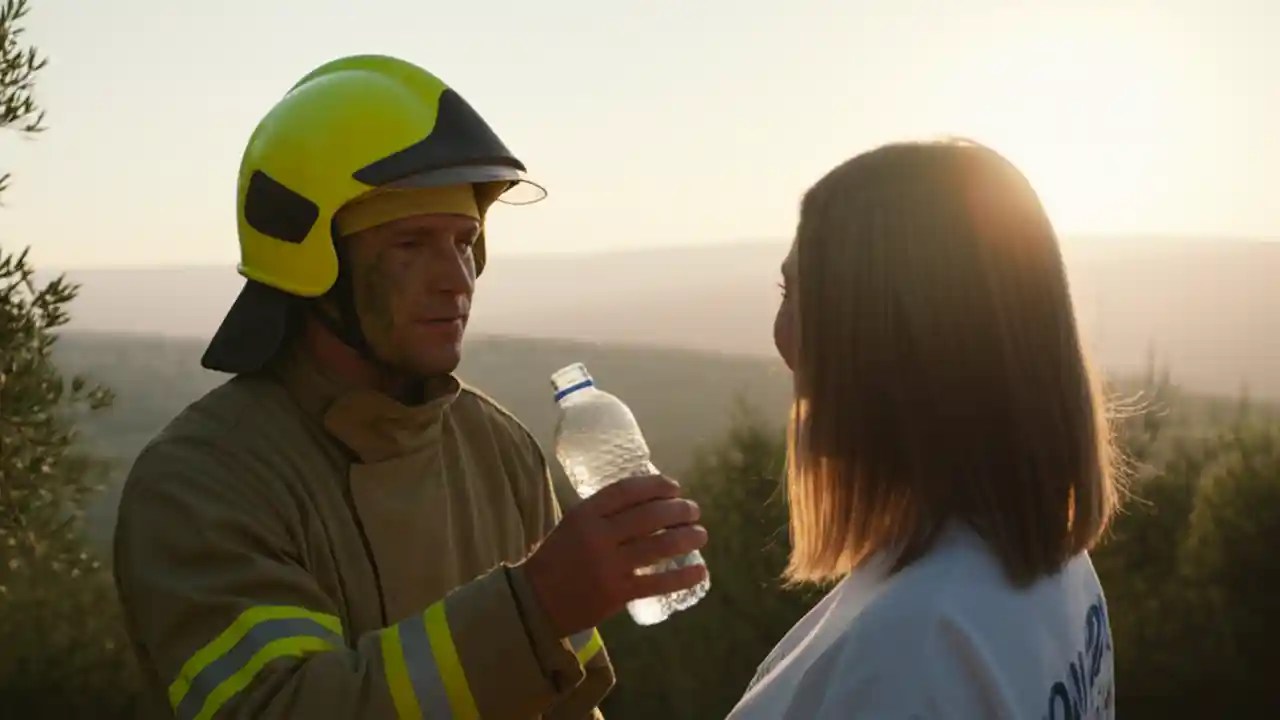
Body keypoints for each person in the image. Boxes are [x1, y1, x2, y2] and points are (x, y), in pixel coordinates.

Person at [112, 54, 708, 720]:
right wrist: (534, 608)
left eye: (465, 240)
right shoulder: (203, 481)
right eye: (412, 243)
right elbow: (278, 709)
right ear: (315, 262)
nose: (456, 277)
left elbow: (574, 704)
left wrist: (549, 609)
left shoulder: (499, 448)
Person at [728, 140, 1119, 719]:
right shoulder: (1052, 564)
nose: (783, 338)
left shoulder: (913, 650)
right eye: (785, 293)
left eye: (819, 302)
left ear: (916, 343)